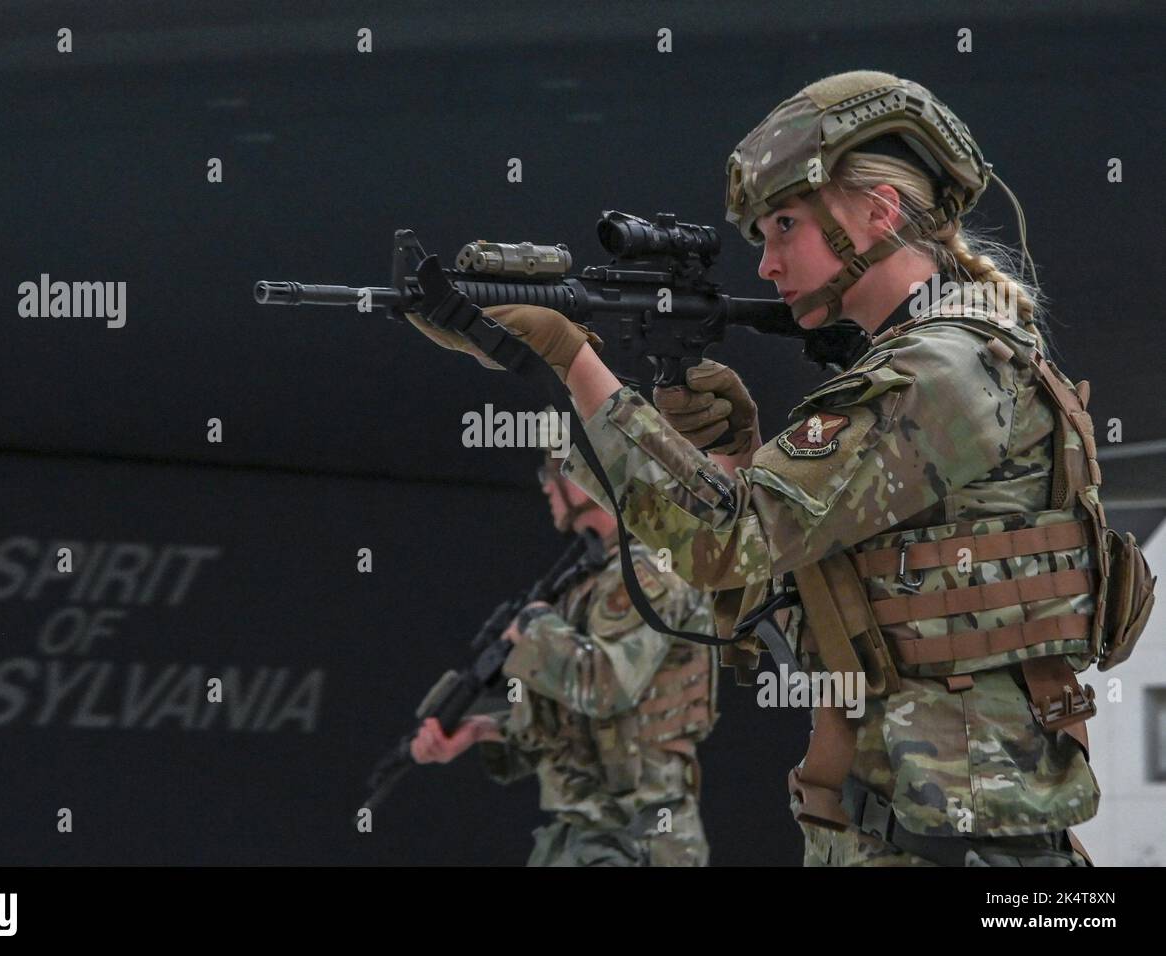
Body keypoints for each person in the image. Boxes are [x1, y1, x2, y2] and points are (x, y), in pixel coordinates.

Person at [408, 71, 1150, 866]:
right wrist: (733, 459)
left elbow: (724, 543)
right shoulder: (952, 355)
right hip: (928, 837)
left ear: (879, 213)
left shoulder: (940, 371)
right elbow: (810, 606)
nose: (764, 265)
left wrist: (572, 359)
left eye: (784, 225)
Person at [409, 439, 719, 866]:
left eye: (550, 474)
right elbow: (573, 722)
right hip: (584, 836)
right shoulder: (588, 579)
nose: (546, 488)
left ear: (583, 482)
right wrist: (483, 730)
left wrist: (533, 629)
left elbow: (605, 685)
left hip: (636, 839)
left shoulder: (648, 573)